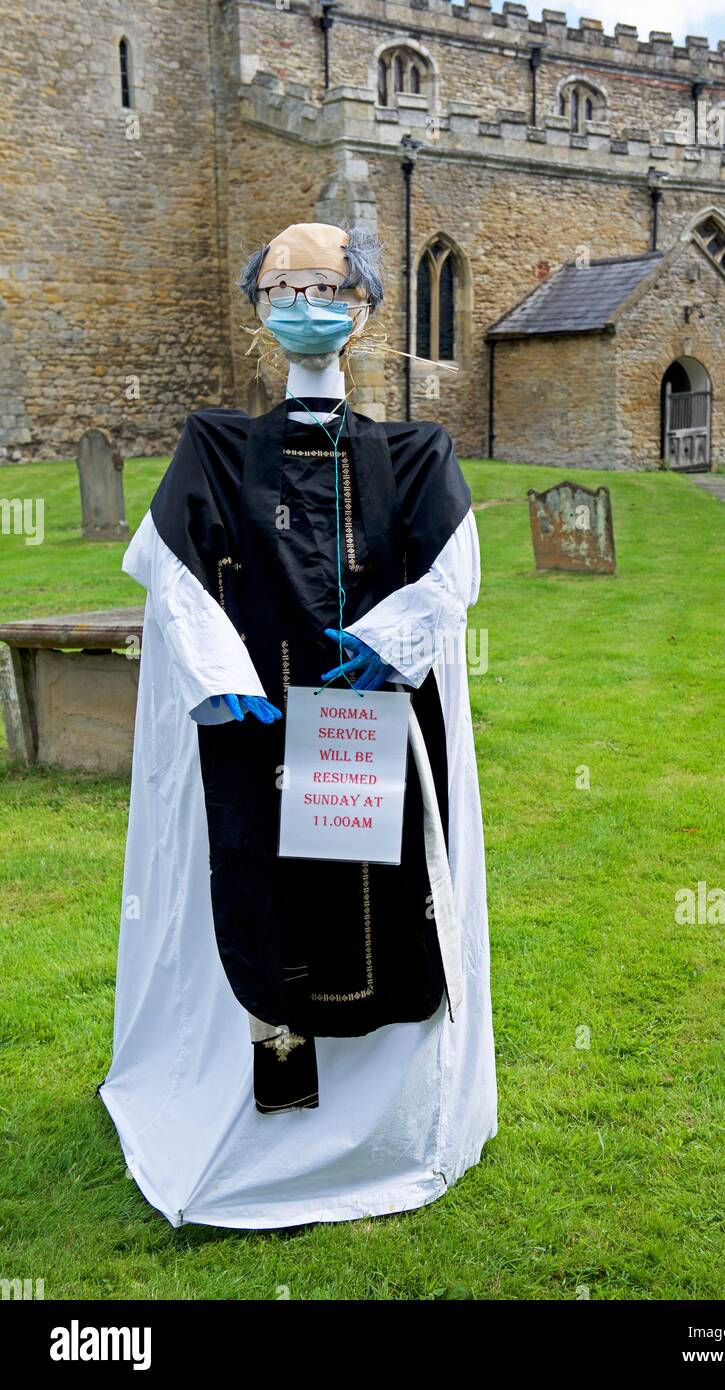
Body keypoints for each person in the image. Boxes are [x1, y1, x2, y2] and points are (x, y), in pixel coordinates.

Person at [100, 222, 497, 1229]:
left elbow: (453, 571)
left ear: (361, 306)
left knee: (381, 907)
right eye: (285, 285)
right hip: (261, 736)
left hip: (368, 743)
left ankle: (383, 1122)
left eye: (327, 283)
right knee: (267, 913)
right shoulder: (219, 447)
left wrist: (396, 636)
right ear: (258, 310)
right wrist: (220, 671)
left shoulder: (413, 453)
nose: (306, 301)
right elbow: (165, 563)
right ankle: (279, 1116)